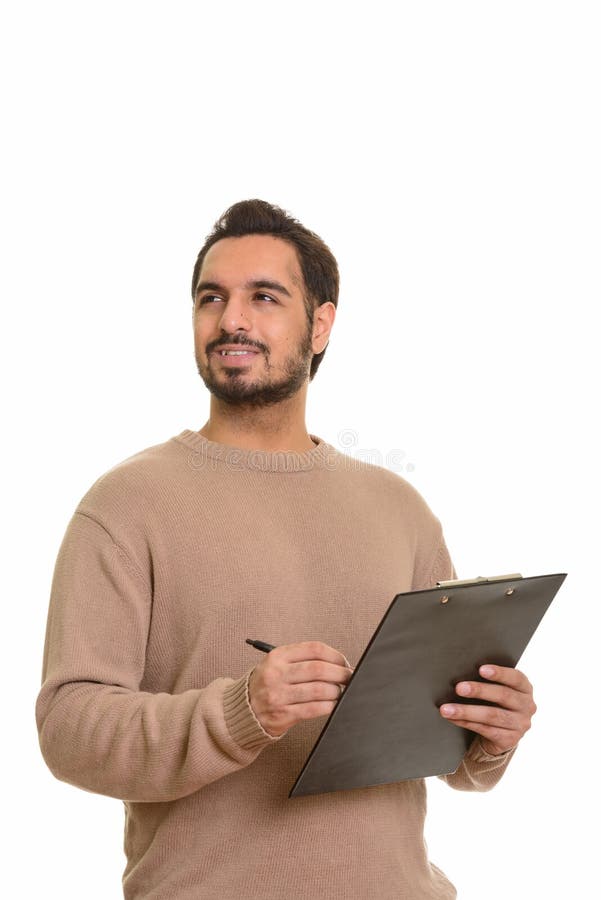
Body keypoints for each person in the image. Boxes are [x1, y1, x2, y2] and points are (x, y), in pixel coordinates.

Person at [35, 199, 537, 900]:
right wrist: (241, 712)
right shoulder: (124, 504)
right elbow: (68, 731)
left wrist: (489, 731)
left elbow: (444, 747)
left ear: (321, 324)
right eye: (211, 298)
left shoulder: (400, 508)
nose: (230, 320)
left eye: (264, 297)